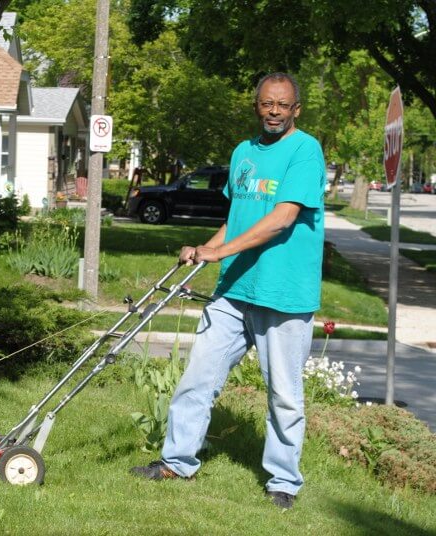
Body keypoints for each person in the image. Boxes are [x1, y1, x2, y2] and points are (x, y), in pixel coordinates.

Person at [130, 72, 325, 511]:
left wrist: (221, 252)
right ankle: (176, 462)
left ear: (296, 110)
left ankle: (284, 481)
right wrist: (208, 250)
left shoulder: (305, 151)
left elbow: (282, 218)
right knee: (197, 377)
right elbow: (239, 217)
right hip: (234, 289)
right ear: (256, 105)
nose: (273, 111)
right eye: (266, 103)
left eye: (282, 105)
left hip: (284, 294)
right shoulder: (243, 153)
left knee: (284, 394)